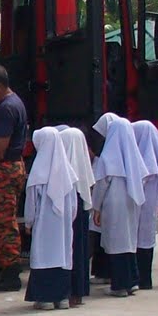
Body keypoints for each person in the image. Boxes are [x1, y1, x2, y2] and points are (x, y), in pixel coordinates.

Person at [0, 65, 30, 290]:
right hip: (10, 168)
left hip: (3, 170)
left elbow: (1, 145)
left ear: (0, 85)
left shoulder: (5, 109)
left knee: (2, 221)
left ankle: (11, 272)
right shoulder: (12, 103)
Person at [91, 113, 148, 297]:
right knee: (129, 242)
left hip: (113, 205)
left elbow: (101, 184)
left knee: (116, 243)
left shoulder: (109, 156)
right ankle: (132, 281)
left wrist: (96, 207)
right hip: (132, 202)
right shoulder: (134, 157)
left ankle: (119, 285)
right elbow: (143, 179)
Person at [22, 127, 78, 310]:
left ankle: (44, 298)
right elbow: (73, 205)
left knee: (43, 255)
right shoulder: (68, 173)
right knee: (61, 255)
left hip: (44, 224)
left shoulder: (38, 172)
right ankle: (61, 298)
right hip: (63, 225)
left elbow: (31, 203)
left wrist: (29, 222)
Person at [58, 126, 95, 306]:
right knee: (80, 249)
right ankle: (78, 291)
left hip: (68, 209)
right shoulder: (83, 168)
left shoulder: (63, 170)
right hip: (81, 206)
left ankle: (67, 290)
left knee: (68, 249)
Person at [130, 120, 158, 289]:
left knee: (141, 242)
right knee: (145, 240)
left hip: (142, 208)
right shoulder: (152, 157)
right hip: (148, 208)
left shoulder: (145, 159)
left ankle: (141, 279)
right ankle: (144, 279)